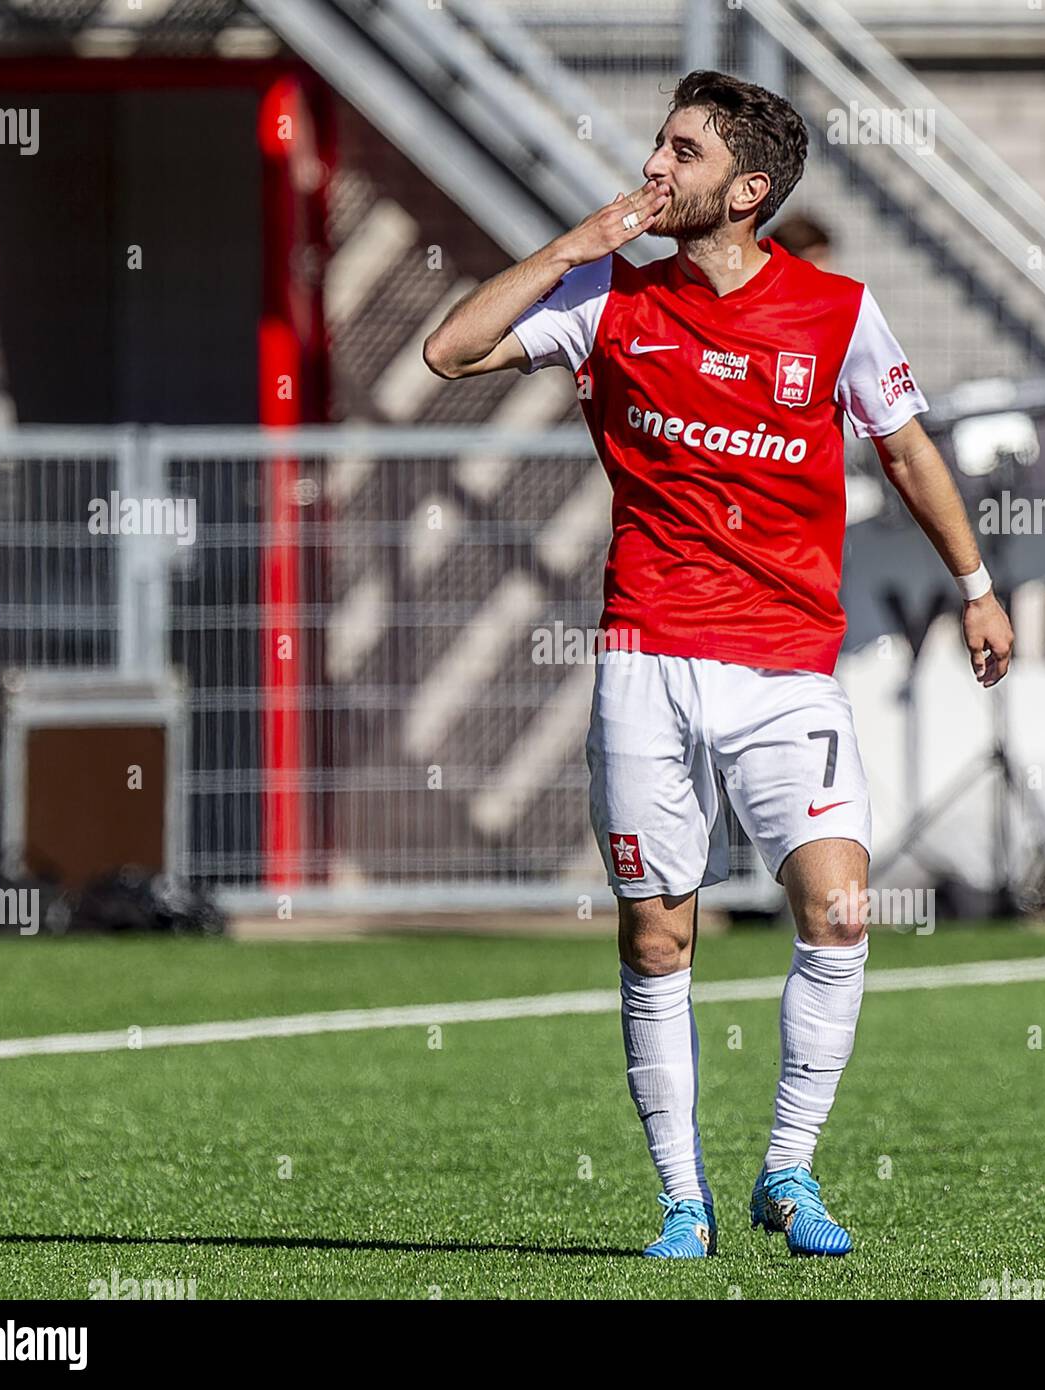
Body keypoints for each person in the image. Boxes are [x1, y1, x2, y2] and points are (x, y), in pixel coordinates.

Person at [423, 70, 1013, 1260]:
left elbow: (906, 453)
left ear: (745, 191)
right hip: (646, 661)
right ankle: (682, 1199)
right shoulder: (607, 299)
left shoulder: (838, 312)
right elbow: (448, 349)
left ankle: (786, 1172)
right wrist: (576, 244)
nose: (655, 166)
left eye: (681, 153)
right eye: (656, 142)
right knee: (658, 938)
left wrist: (976, 586)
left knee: (841, 905)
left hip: (787, 668)